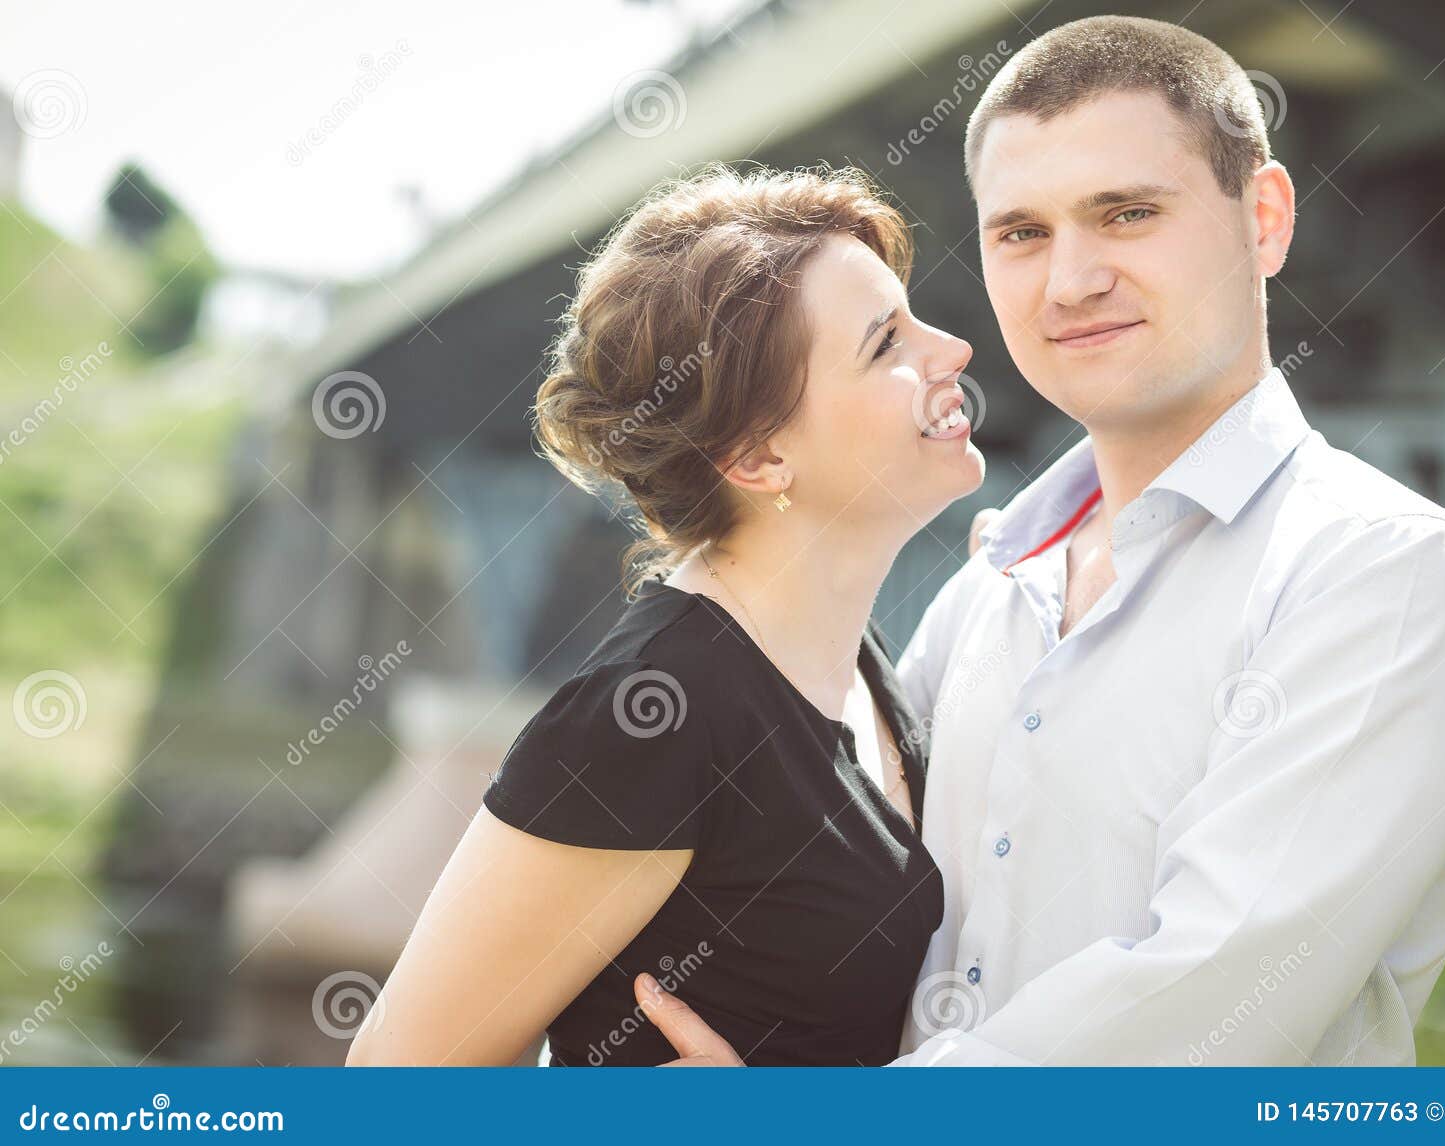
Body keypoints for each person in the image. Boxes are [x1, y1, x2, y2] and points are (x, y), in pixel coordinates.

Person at [634, 15, 1445, 1066]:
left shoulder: (1386, 579)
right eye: (1022, 232)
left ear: (1266, 218)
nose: (1069, 282)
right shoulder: (981, 592)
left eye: (1126, 213)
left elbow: (1204, 1014)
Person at [344, 164, 984, 1066]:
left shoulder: (856, 665)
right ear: (759, 457)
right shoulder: (651, 713)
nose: (951, 347)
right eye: (886, 344)